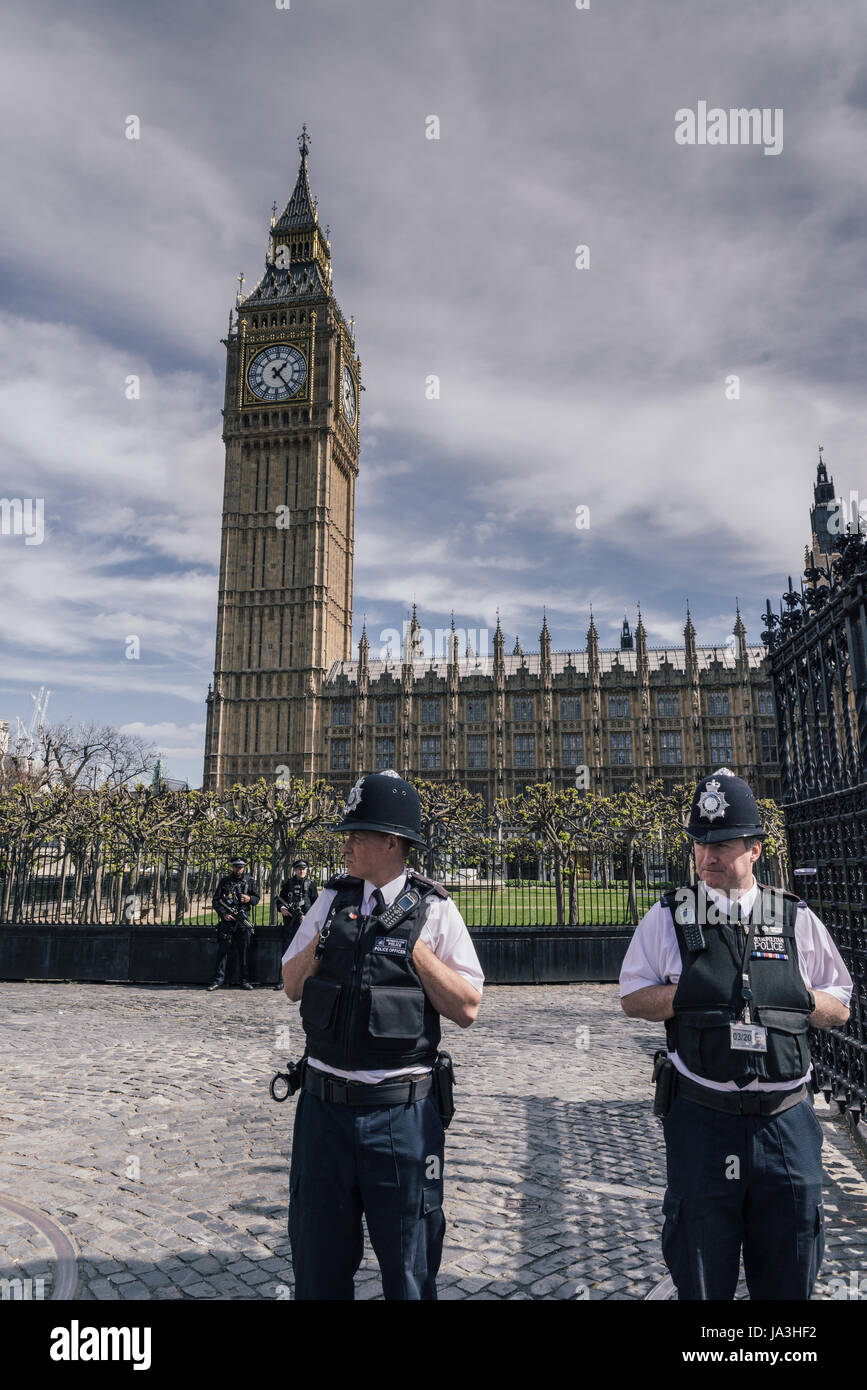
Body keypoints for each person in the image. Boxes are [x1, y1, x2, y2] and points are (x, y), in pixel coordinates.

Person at [620, 768, 852, 1301]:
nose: (707, 856)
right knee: (702, 1272)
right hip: (704, 1121)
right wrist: (696, 993)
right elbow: (633, 997)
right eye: (700, 843)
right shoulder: (669, 917)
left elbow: (839, 1004)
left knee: (791, 1269)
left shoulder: (794, 917)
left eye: (721, 844)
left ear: (755, 848)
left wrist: (791, 997)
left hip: (784, 1124)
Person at [280, 770, 484, 1300]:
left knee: (409, 1271)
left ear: (390, 843)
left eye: (355, 834)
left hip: (401, 1117)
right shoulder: (329, 900)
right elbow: (289, 984)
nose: (344, 843)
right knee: (318, 1270)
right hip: (323, 1113)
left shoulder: (435, 908)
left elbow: (467, 1006)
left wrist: (416, 950)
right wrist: (322, 945)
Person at [208, 856, 260, 991]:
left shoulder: (249, 881)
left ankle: (245, 980)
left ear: (244, 867)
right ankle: (218, 980)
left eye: (240, 867)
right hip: (228, 921)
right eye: (236, 866)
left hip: (243, 921)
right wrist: (223, 914)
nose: (238, 869)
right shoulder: (225, 881)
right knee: (222, 952)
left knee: (244, 952)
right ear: (232, 867)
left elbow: (256, 899)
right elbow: (216, 900)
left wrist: (249, 898)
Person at [273, 859, 319, 989]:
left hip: (306, 924)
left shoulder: (311, 884)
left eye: (303, 868)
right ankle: (282, 980)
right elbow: (279, 900)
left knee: (306, 953)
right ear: (295, 870)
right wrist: (282, 908)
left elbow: (317, 905)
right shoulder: (288, 883)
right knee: (287, 952)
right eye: (299, 868)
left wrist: (308, 917)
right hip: (290, 924)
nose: (301, 870)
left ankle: (305, 981)